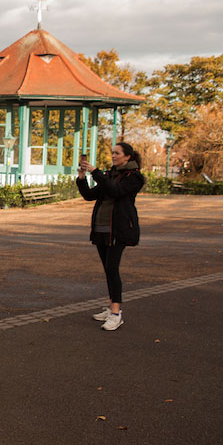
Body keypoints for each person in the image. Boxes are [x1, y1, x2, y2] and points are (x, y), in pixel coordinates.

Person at [76, 142, 145, 331]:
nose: (113, 156)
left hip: (118, 230)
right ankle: (111, 307)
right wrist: (82, 178)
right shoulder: (109, 175)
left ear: (127, 157)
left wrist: (96, 172)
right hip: (101, 228)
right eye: (112, 153)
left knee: (112, 268)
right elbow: (90, 195)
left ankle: (116, 313)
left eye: (117, 153)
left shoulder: (133, 177)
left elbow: (116, 191)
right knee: (108, 269)